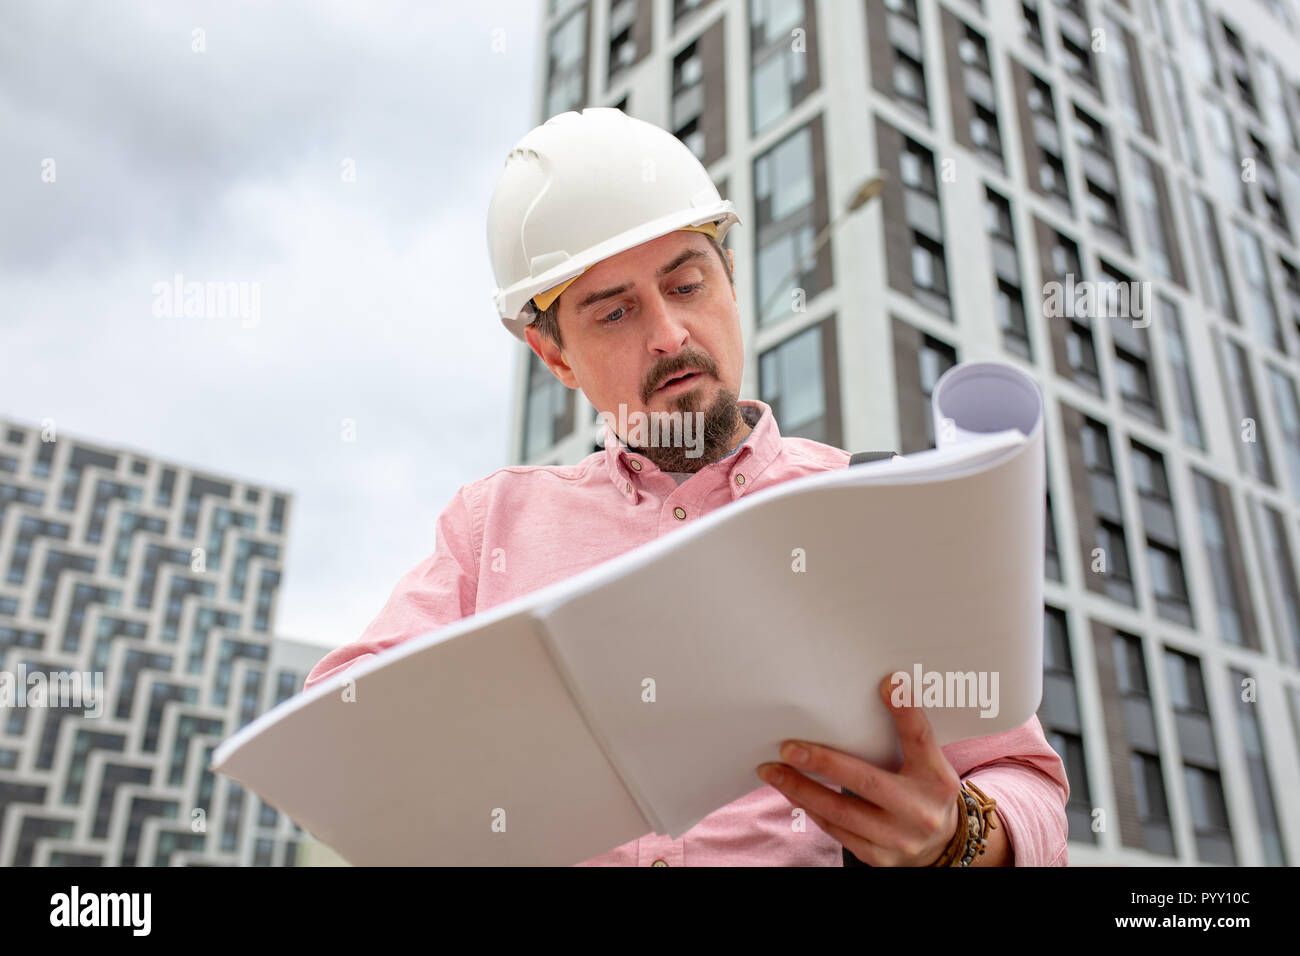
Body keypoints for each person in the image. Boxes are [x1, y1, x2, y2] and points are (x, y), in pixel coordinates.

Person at [304, 107, 1069, 867]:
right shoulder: (490, 528)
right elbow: (340, 728)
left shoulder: (878, 509)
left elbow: (1026, 783)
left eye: (688, 284)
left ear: (731, 283)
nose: (669, 332)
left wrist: (955, 839)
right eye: (616, 312)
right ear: (556, 357)